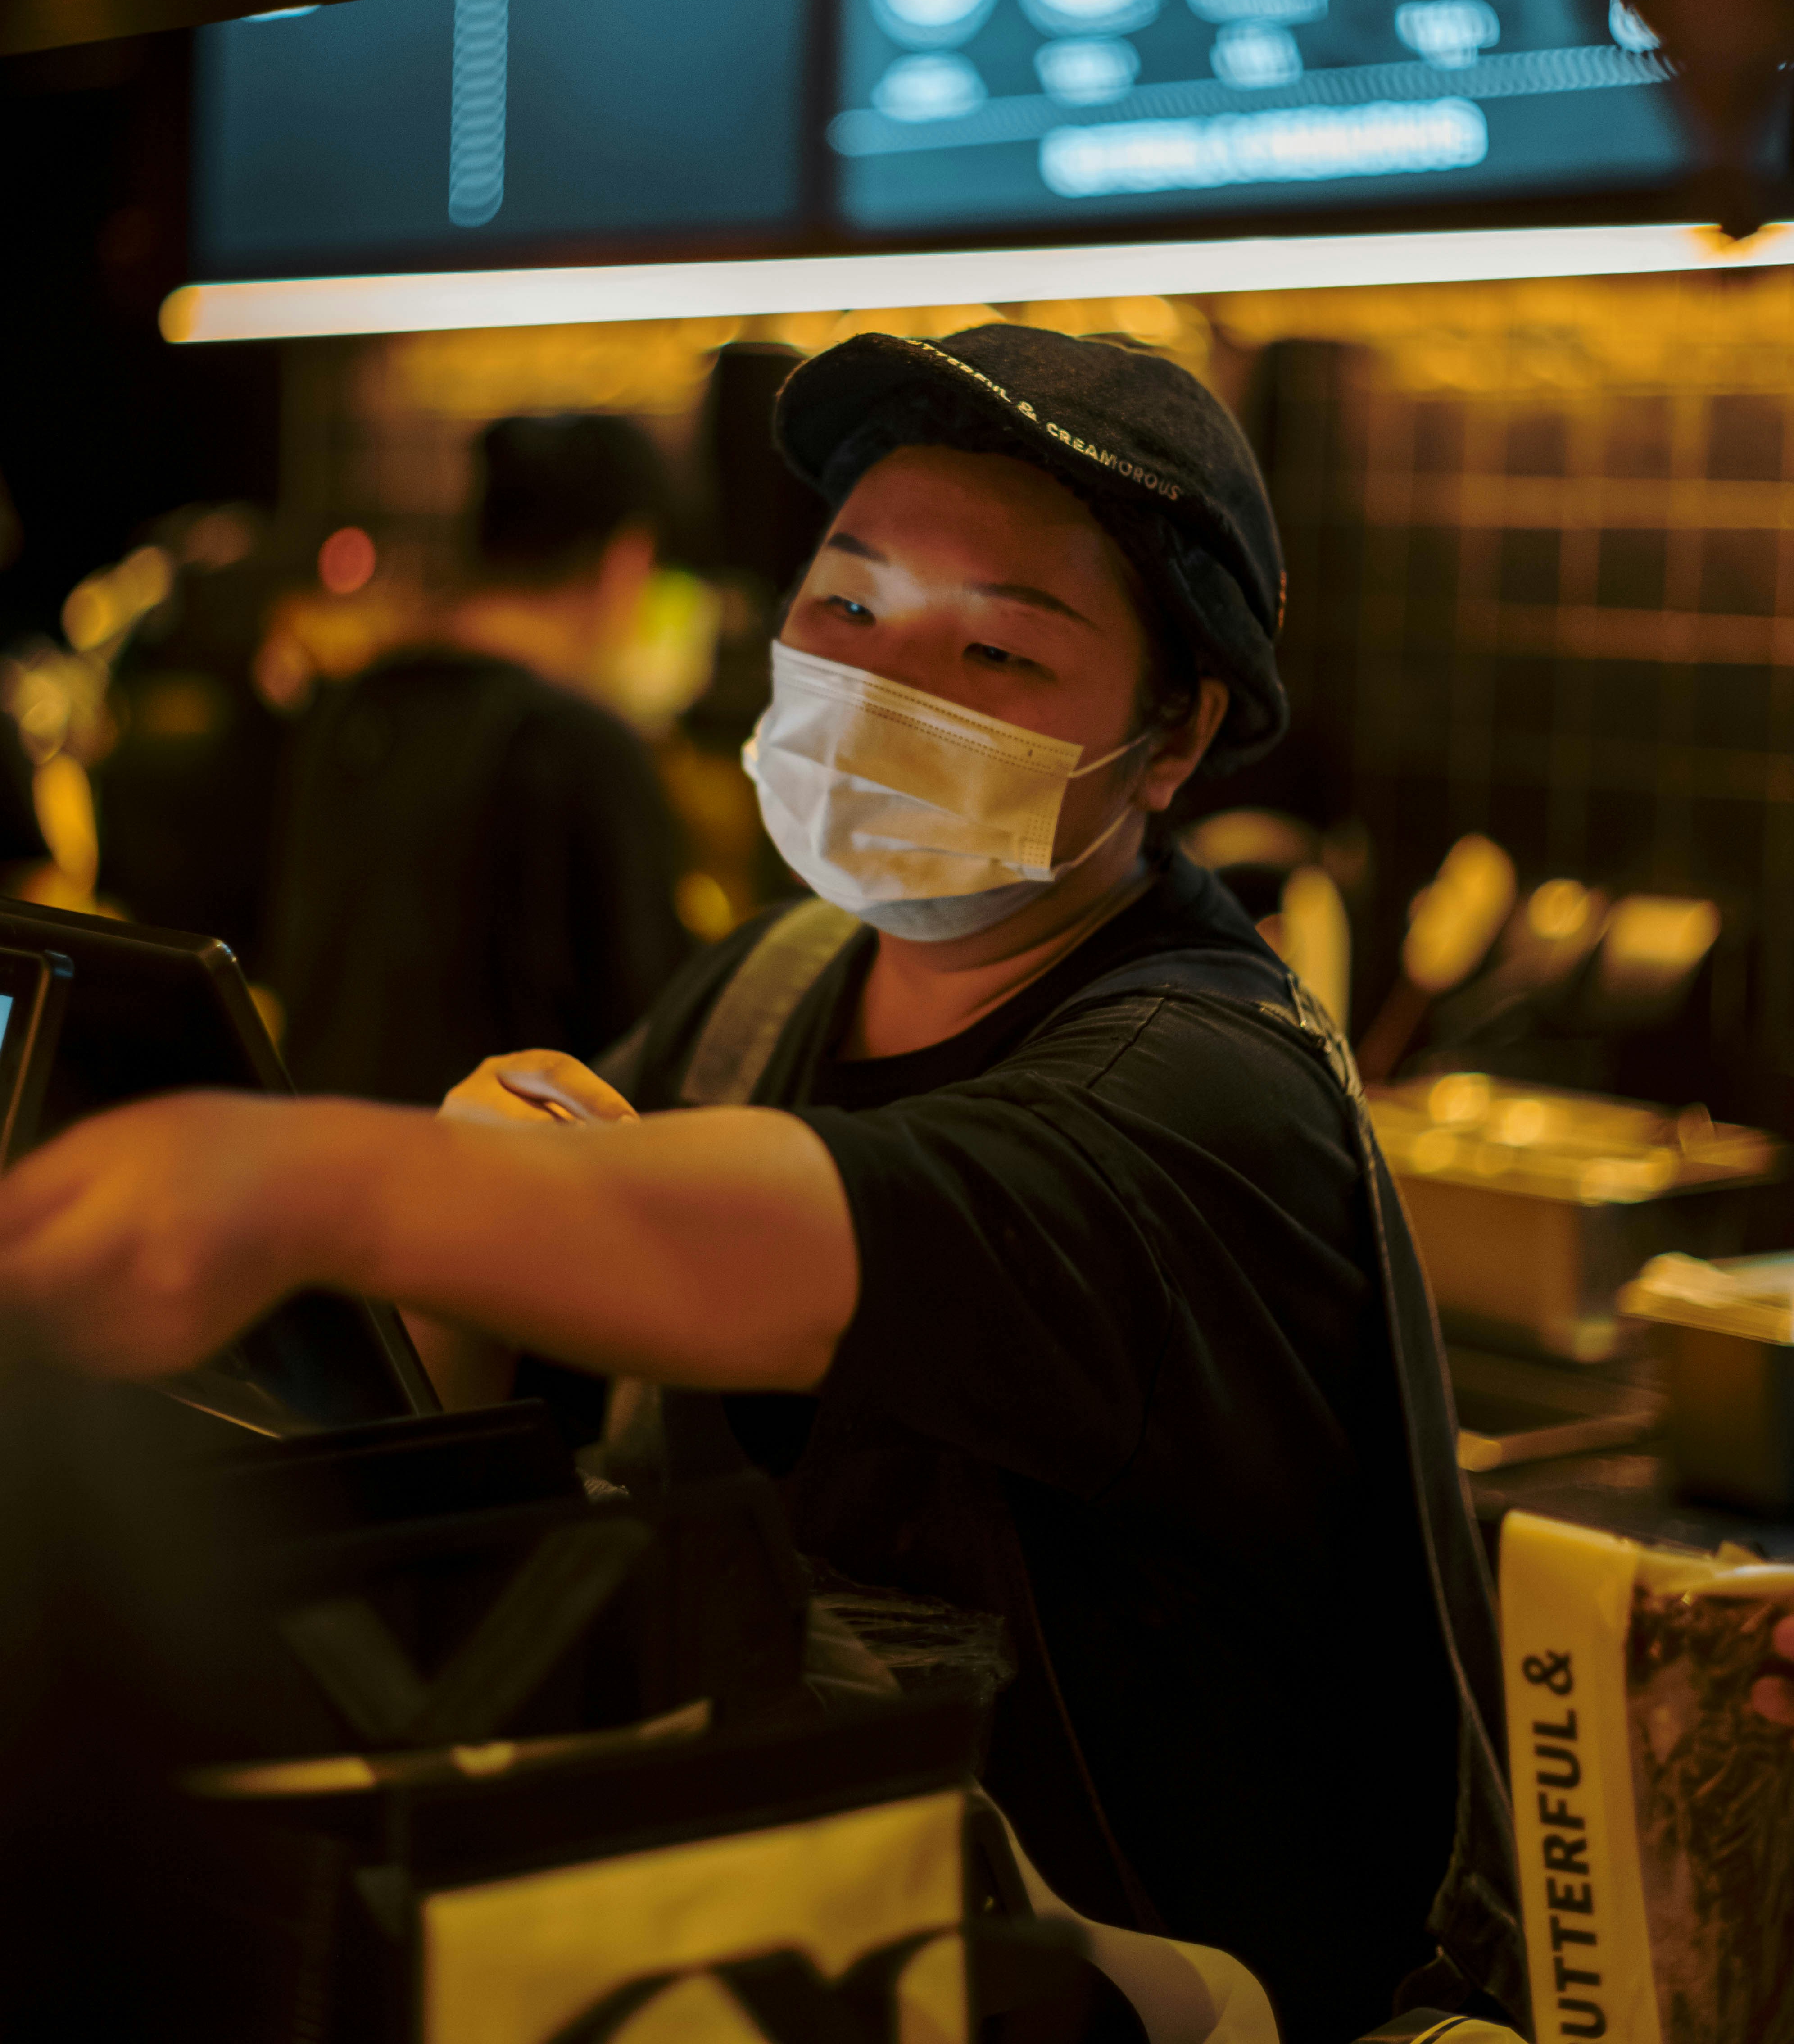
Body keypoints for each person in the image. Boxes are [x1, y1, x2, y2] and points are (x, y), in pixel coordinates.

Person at [0, 327, 1520, 2044]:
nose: (890, 686)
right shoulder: (776, 980)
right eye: (849, 607)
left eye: (1002, 649)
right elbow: (542, 1391)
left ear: (1172, 741)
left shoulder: (1197, 1088)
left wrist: (324, 1181)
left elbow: (801, 1241)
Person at [268, 412, 689, 1103]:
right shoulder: (579, 744)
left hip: (330, 1160)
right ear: (626, 561)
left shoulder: (352, 710)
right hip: (495, 1188)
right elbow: (650, 1032)